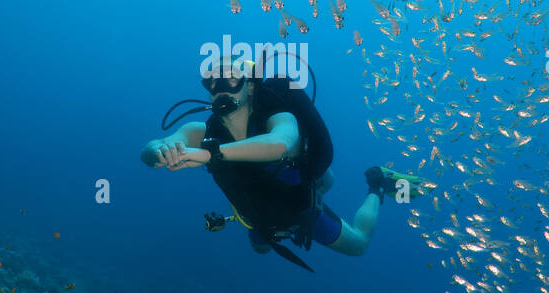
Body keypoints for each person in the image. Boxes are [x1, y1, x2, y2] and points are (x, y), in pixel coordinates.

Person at [141, 57, 414, 270]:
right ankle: (321, 183)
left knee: (358, 246)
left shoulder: (280, 118)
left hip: (298, 212)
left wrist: (213, 154)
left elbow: (279, 143)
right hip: (256, 217)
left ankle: (377, 184)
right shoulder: (200, 130)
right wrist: (161, 151)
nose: (219, 88)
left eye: (230, 80)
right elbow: (151, 149)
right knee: (260, 248)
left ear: (249, 86)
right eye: (211, 82)